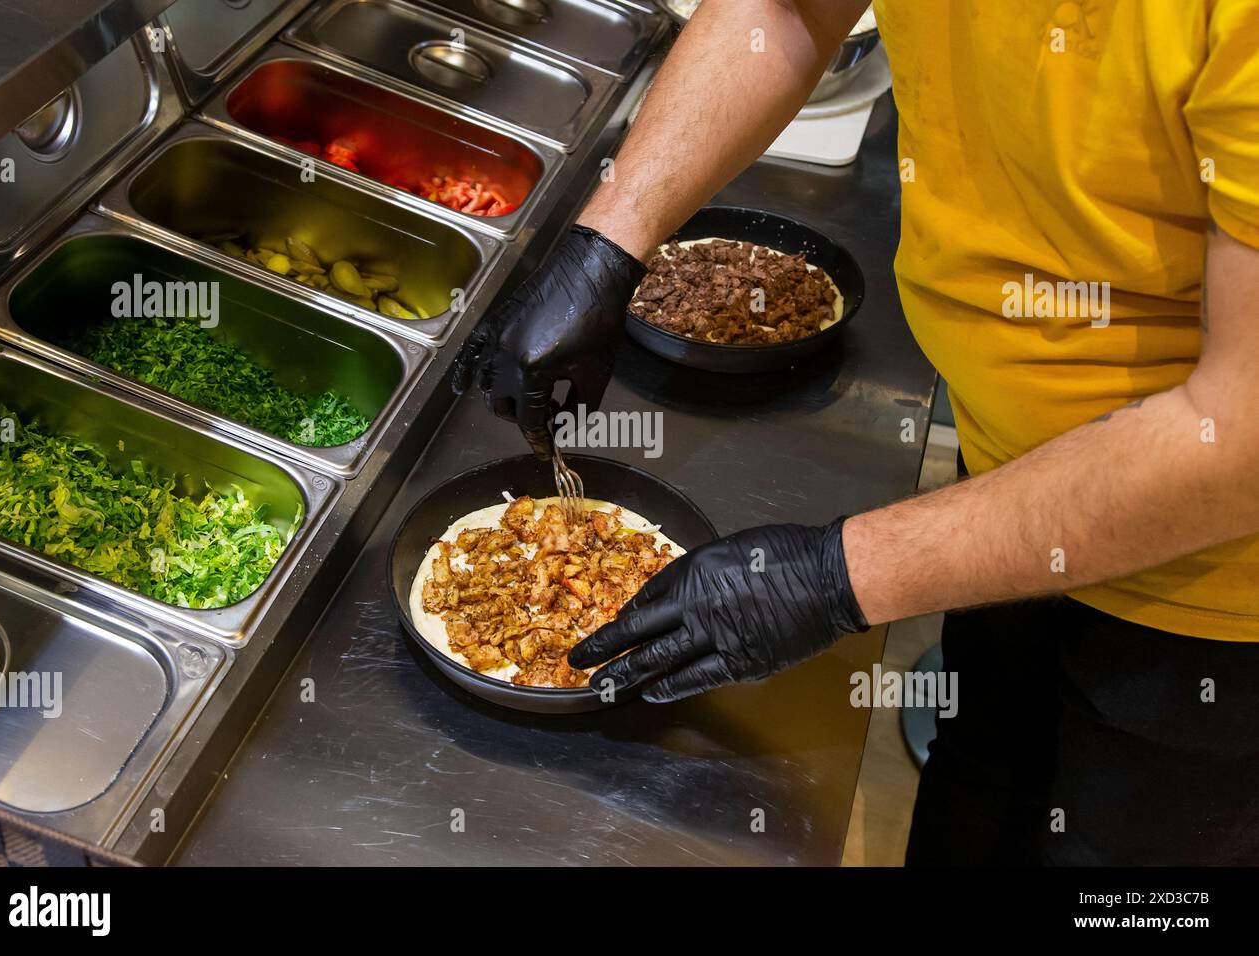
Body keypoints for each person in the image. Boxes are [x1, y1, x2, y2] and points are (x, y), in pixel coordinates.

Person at [453, 0, 1259, 865]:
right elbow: (787, 11)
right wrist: (611, 241)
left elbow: (1239, 440)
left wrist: (837, 576)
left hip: (1213, 605)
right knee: (977, 802)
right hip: (1016, 509)